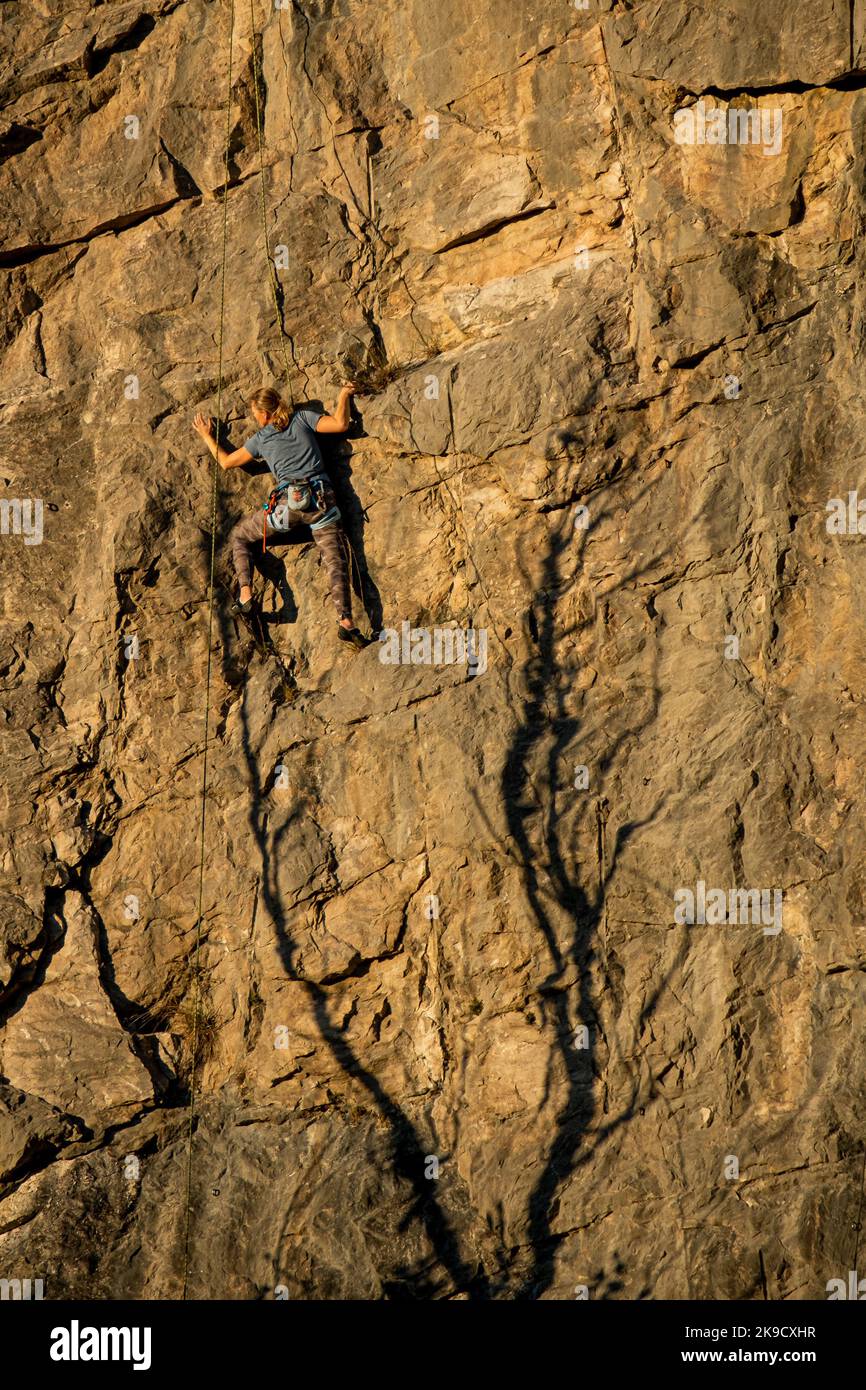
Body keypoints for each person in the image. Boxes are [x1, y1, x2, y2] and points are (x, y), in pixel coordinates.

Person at [192, 384, 368, 649]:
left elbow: (227, 462)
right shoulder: (304, 418)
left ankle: (245, 593)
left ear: (264, 413)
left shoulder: (261, 438)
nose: (254, 418)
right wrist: (344, 395)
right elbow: (341, 424)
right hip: (321, 503)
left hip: (286, 511)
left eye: (254, 413)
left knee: (240, 536)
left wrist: (208, 436)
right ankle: (346, 622)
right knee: (335, 559)